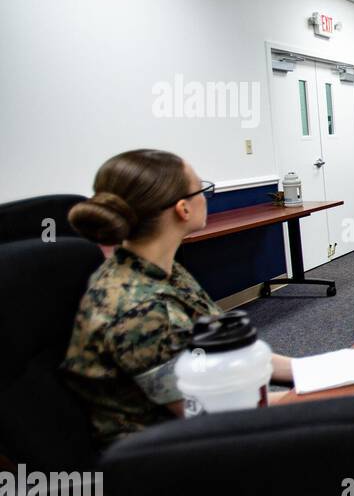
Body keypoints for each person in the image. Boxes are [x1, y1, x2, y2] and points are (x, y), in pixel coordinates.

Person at [62, 149, 294, 444]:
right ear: (183, 209)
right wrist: (309, 400)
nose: (207, 196)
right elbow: (205, 414)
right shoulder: (140, 308)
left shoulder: (160, 270)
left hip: (209, 422)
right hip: (163, 454)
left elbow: (229, 353)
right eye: (203, 188)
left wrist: (319, 371)